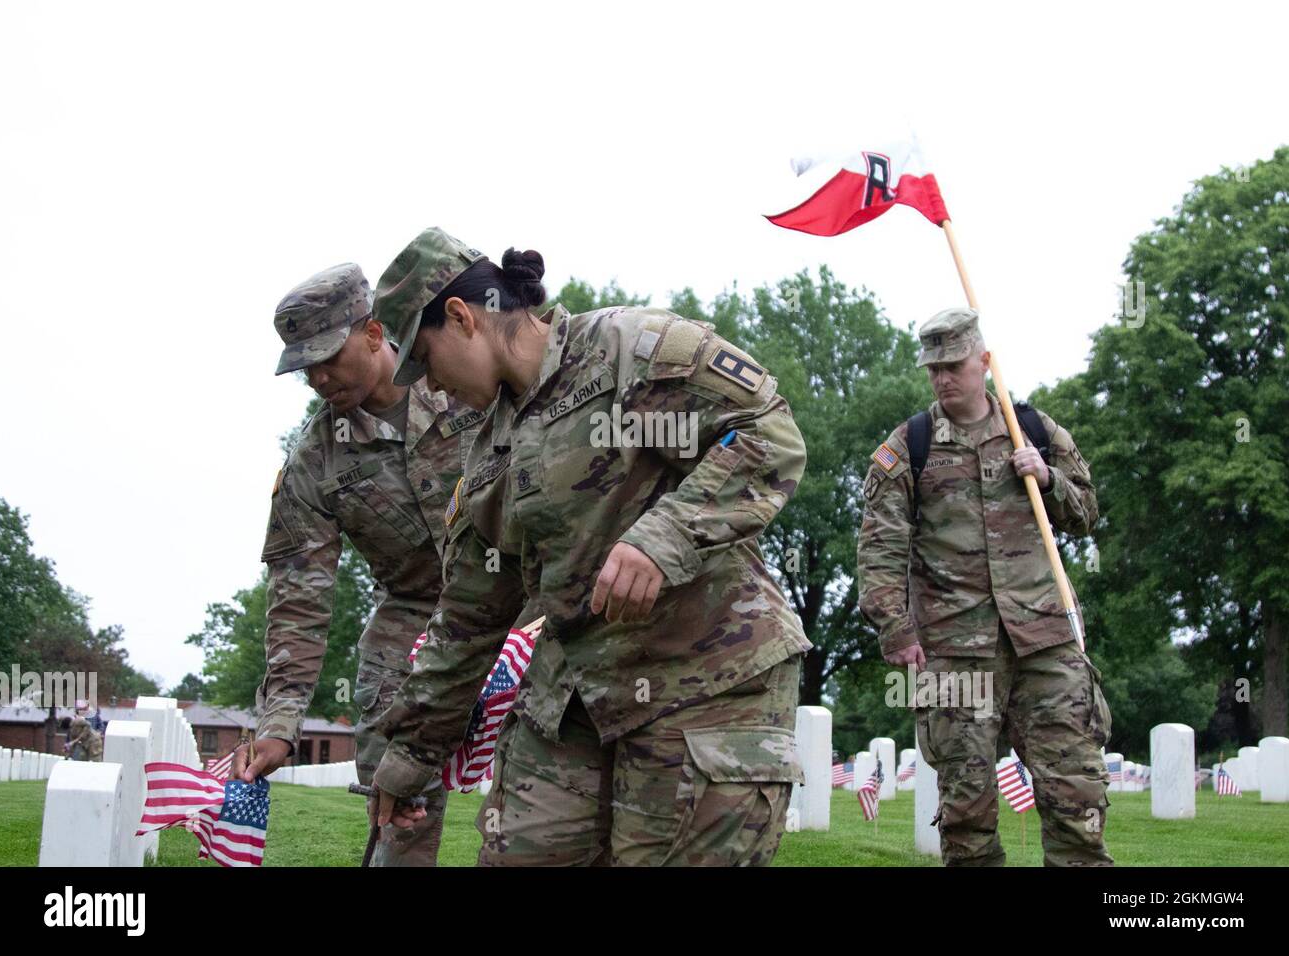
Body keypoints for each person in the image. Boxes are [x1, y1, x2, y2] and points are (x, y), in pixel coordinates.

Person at [369, 226, 811, 866]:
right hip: (572, 705)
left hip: (704, 688)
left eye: (426, 360)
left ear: (462, 318)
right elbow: (469, 618)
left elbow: (767, 432)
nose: (430, 388)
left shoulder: (631, 350)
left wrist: (663, 537)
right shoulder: (488, 454)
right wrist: (411, 752)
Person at [236, 262, 483, 867]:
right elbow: (299, 599)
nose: (317, 377)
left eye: (327, 356)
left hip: (529, 599)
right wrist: (280, 721)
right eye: (304, 368)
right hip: (417, 611)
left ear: (374, 332)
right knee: (392, 774)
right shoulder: (314, 463)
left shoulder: (464, 376)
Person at [857, 307, 1113, 867]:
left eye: (954, 365)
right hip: (954, 652)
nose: (944, 378)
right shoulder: (910, 447)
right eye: (933, 369)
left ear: (984, 362)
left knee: (1077, 792)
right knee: (966, 810)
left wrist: (1047, 480)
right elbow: (879, 548)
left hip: (1046, 639)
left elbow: (1087, 511)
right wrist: (896, 631)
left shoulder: (1036, 432)